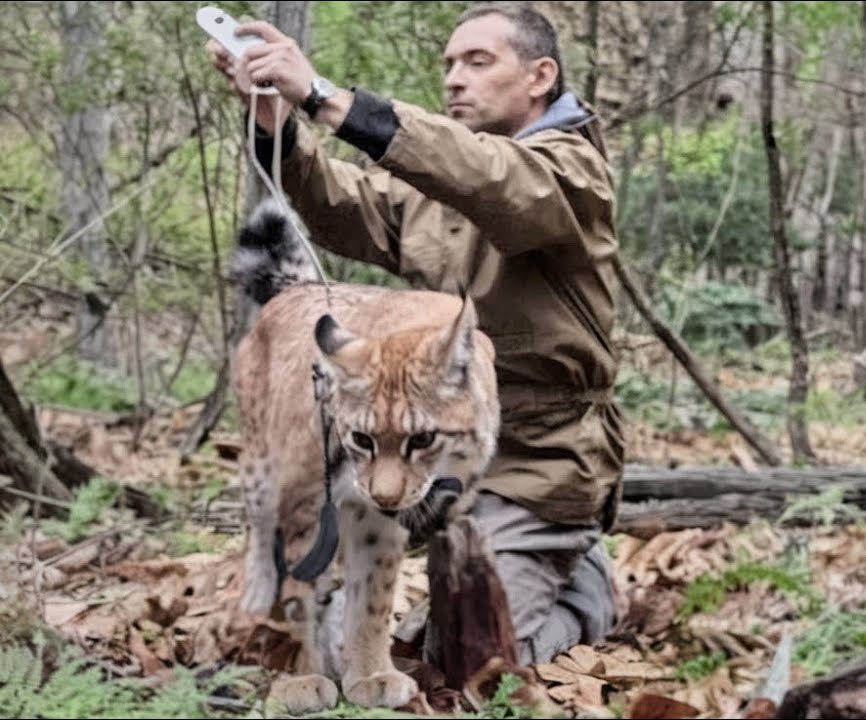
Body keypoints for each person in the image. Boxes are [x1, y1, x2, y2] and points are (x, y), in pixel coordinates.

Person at [208, 1, 625, 666]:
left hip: (537, 462)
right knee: (362, 637)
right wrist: (277, 124)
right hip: (425, 452)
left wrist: (322, 94)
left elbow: (494, 181)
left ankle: (580, 587)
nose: (455, 78)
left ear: (540, 75)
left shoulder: (572, 174)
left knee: (469, 662)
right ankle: (553, 565)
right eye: (450, 64)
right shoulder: (439, 187)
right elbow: (342, 208)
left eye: (478, 62)